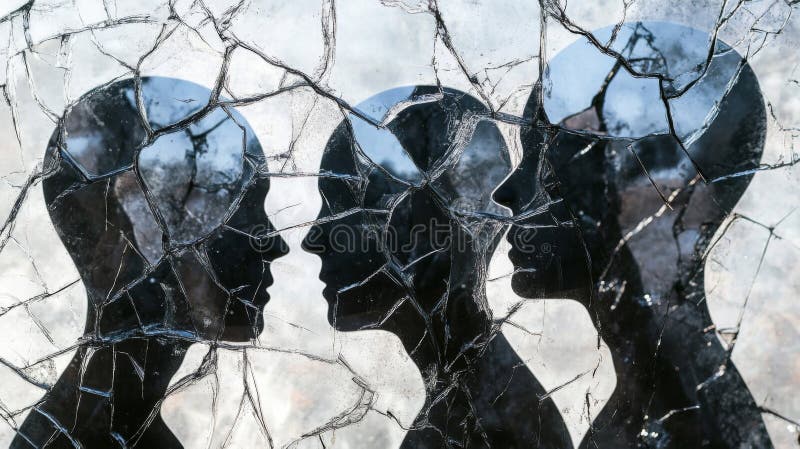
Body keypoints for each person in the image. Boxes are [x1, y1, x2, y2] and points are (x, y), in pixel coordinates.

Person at [492, 22, 773, 448]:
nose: (506, 192)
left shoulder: (681, 420)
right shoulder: (650, 400)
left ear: (663, 193)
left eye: (549, 162)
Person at [11, 77, 287, 448]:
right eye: (244, 214)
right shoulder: (85, 435)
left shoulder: (94, 427)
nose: (276, 244)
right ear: (129, 244)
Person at [303, 86, 572, 448]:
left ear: (427, 231)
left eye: (341, 207)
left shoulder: (491, 426)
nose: (313, 238)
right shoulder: (471, 405)